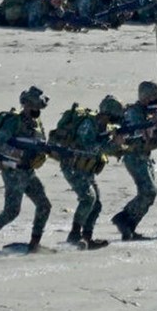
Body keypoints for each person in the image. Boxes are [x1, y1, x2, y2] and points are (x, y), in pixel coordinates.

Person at [0, 86, 53, 254]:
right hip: (13, 172)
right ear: (25, 105)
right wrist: (21, 154)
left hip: (28, 172)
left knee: (44, 205)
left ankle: (34, 244)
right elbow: (0, 144)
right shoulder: (13, 121)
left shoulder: (36, 123)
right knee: (12, 211)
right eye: (33, 106)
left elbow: (40, 142)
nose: (36, 109)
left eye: (38, 106)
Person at [56, 96, 125, 250]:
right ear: (107, 113)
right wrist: (113, 143)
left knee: (97, 204)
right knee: (88, 198)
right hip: (72, 165)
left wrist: (121, 144)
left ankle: (87, 238)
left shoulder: (105, 127)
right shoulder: (88, 124)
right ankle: (74, 235)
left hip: (87, 168)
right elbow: (88, 147)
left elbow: (108, 149)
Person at [111, 81, 157, 240]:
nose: (156, 100)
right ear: (146, 96)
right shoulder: (133, 112)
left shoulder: (148, 112)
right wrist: (154, 122)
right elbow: (136, 132)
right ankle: (123, 218)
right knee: (149, 191)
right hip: (134, 156)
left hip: (145, 157)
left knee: (149, 195)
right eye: (154, 96)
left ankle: (130, 227)